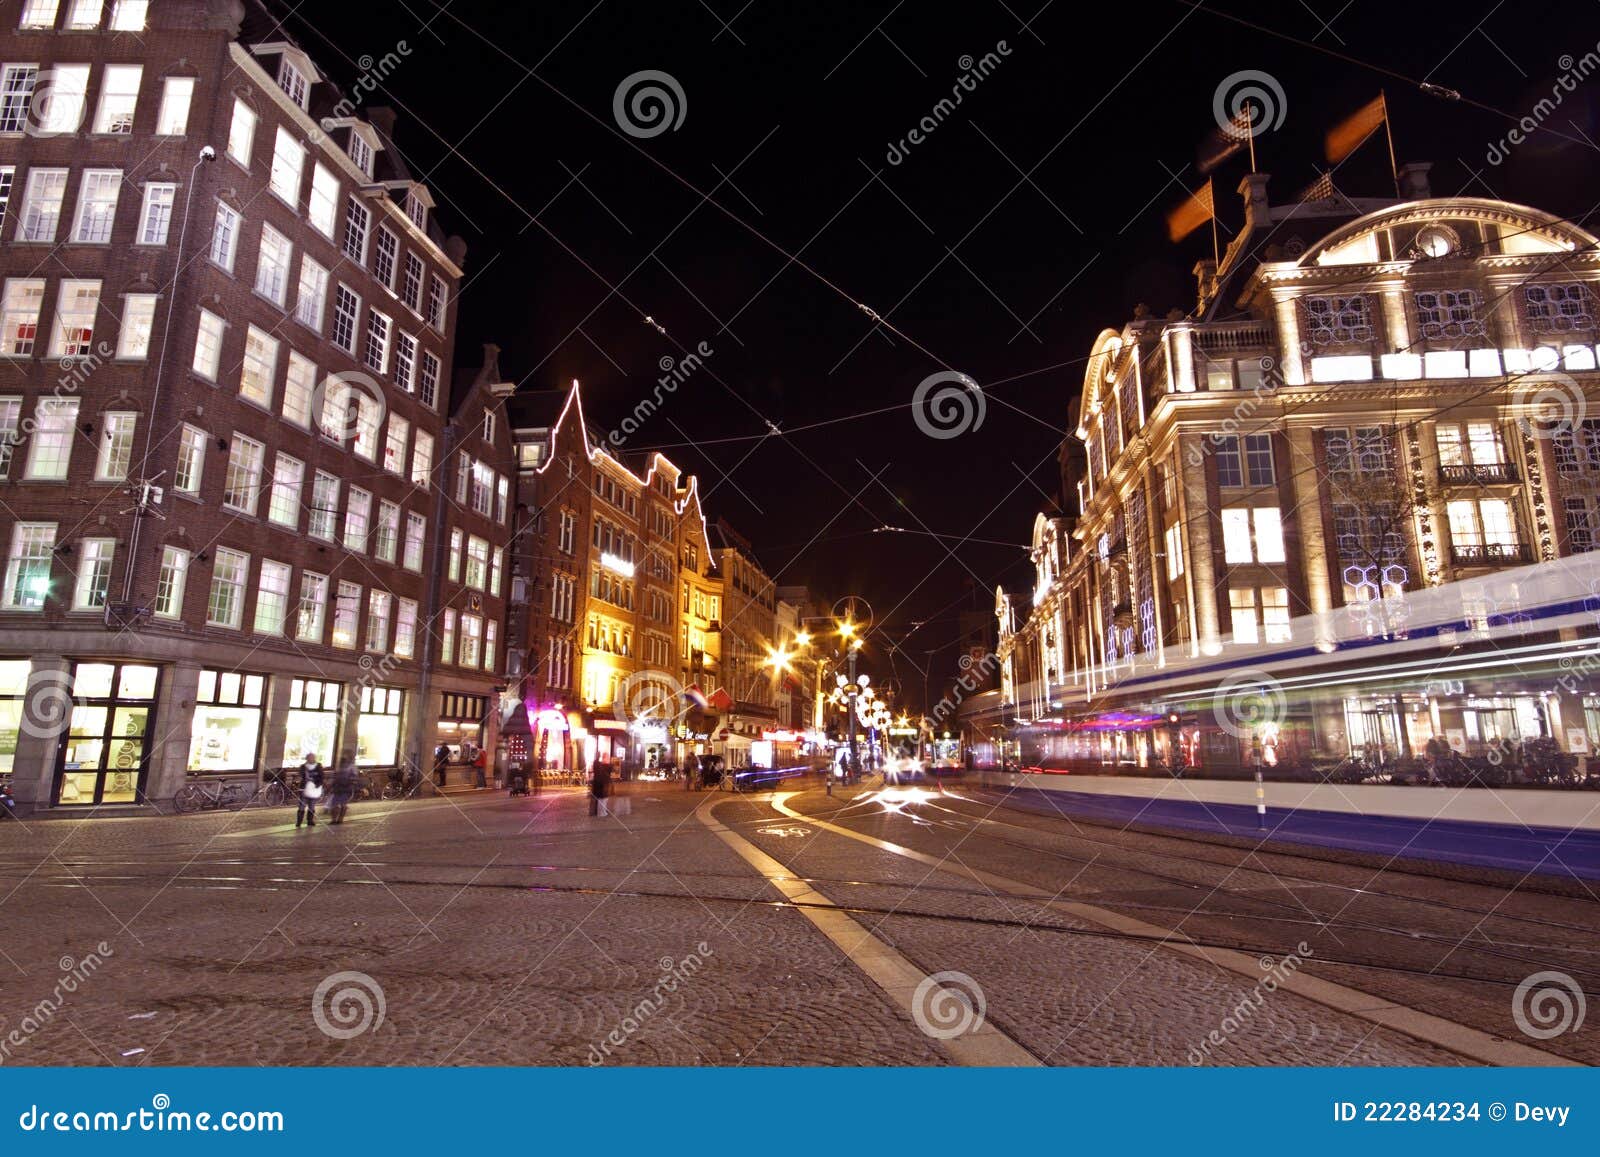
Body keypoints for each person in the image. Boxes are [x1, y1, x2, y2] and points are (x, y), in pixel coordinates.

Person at [328, 752, 359, 824]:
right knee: (335, 804)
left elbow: (354, 777)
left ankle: (340, 819)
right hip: (338, 788)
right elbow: (334, 776)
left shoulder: (352, 767)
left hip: (346, 788)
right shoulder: (338, 767)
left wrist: (350, 782)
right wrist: (331, 784)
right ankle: (334, 819)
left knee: (342, 804)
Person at [295, 753, 325, 828]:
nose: (310, 759)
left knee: (312, 806)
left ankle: (310, 821)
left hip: (314, 789)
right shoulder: (303, 767)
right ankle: (299, 821)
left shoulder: (318, 766)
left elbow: (321, 777)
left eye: (312, 758)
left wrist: (317, 784)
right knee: (302, 806)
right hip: (304, 789)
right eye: (309, 758)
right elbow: (300, 776)